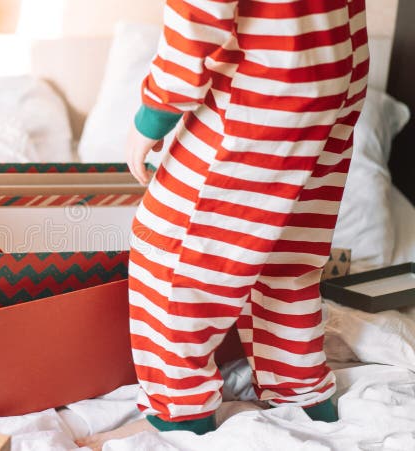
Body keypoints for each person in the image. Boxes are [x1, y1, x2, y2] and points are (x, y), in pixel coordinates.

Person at [78, 0, 368, 447]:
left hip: (262, 85)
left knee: (170, 253)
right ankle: (303, 394)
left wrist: (155, 111)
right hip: (333, 69)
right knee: (285, 253)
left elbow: (199, 13)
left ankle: (178, 416)